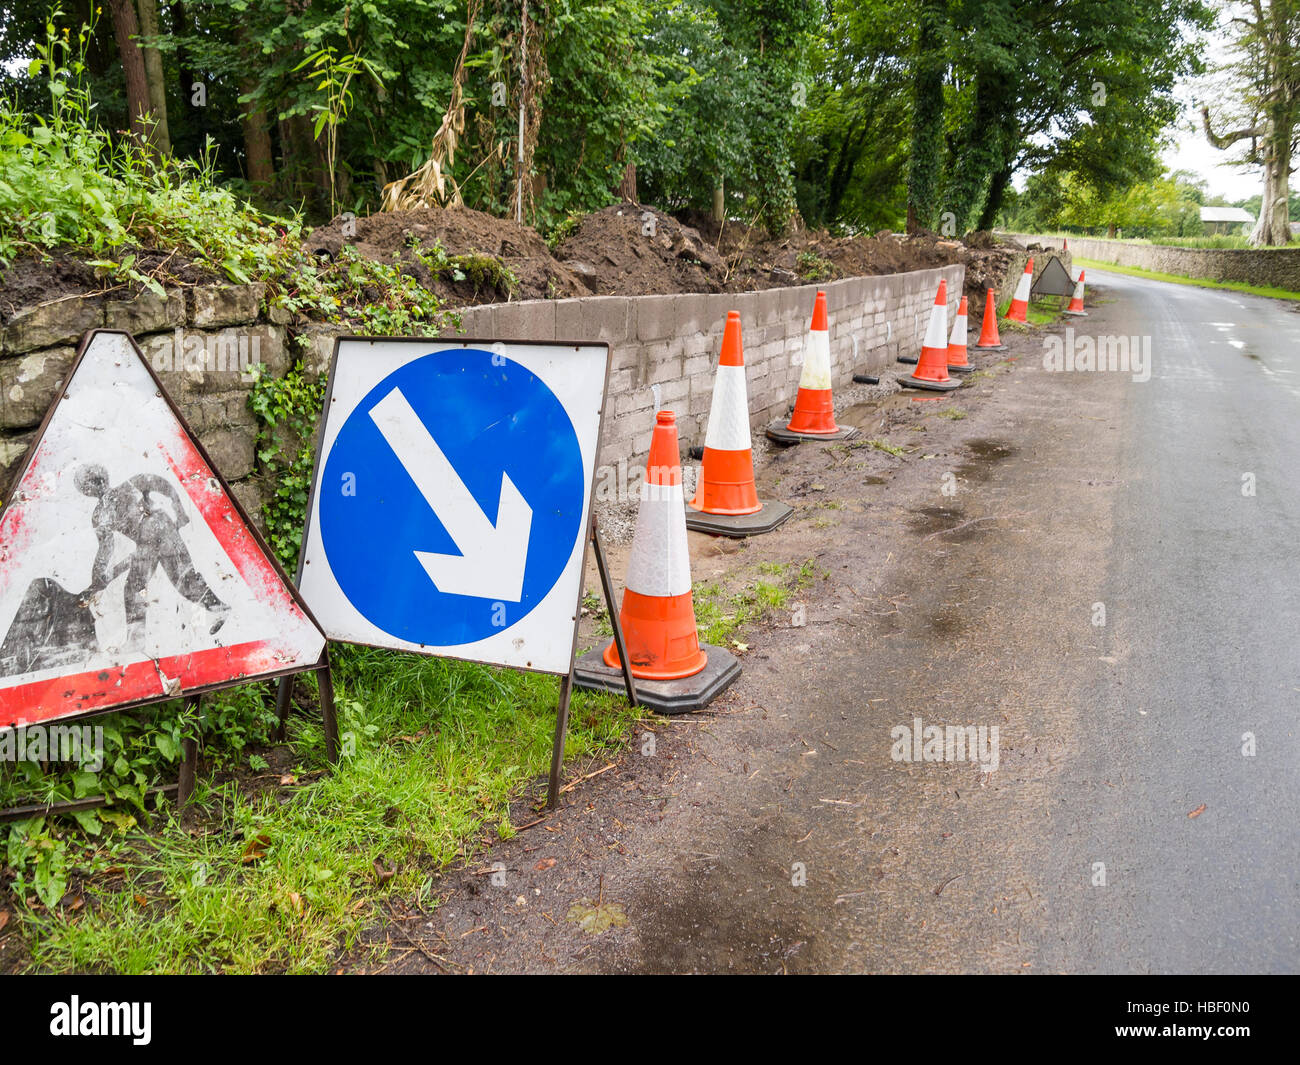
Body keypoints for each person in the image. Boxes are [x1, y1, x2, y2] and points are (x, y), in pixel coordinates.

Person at [75, 464, 229, 644]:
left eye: (90, 483)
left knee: (181, 580)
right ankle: (135, 642)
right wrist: (97, 580)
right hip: (146, 541)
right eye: (86, 485)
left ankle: (218, 608)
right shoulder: (100, 514)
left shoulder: (130, 485)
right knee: (136, 588)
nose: (91, 487)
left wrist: (180, 512)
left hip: (159, 528)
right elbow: (105, 550)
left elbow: (163, 484)